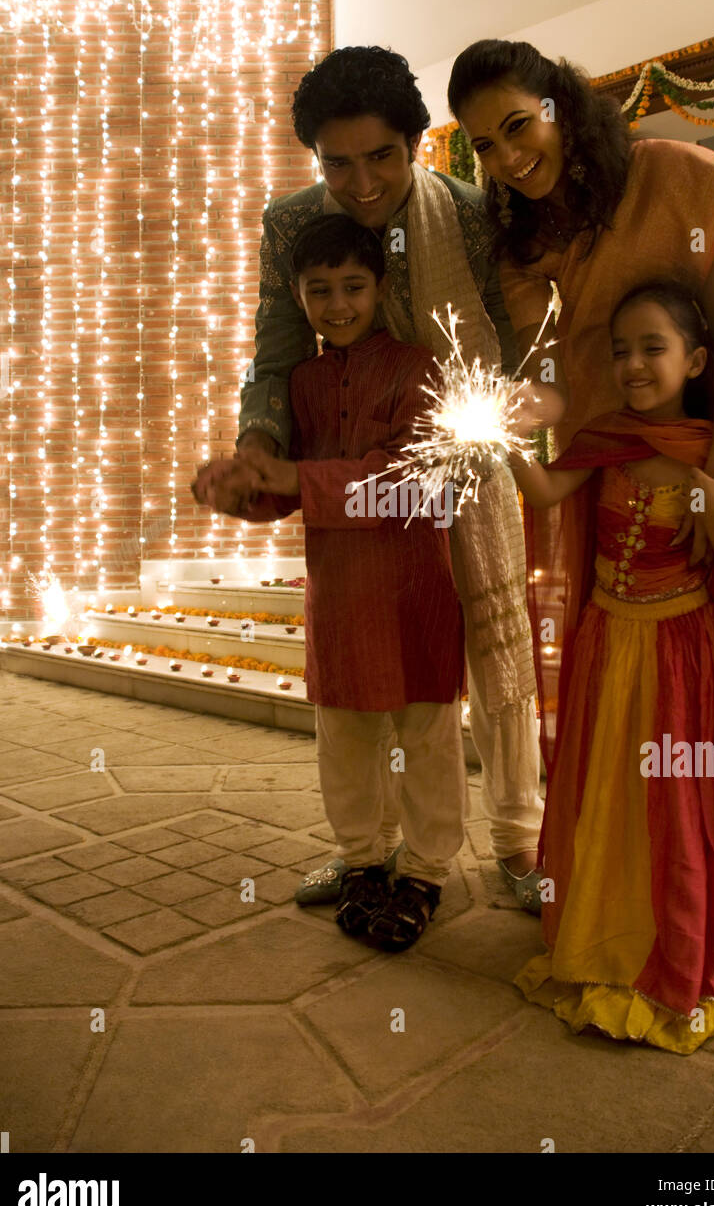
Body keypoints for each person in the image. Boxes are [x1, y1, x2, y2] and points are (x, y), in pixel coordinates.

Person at [192, 46, 565, 911]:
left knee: (496, 646)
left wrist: (514, 415)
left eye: (382, 157)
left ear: (420, 143)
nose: (360, 184)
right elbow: (275, 355)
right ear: (314, 160)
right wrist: (258, 446)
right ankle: (370, 852)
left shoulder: (477, 213)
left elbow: (518, 347)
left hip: (464, 458)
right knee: (367, 672)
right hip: (353, 457)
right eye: (337, 162)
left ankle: (516, 839)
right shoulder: (292, 225)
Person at [447, 37, 714, 786]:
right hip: (607, 457)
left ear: (559, 106)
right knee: (619, 671)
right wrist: (519, 410)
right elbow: (556, 374)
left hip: (711, 452)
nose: (506, 160)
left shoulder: (668, 173)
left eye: (518, 127)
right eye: (484, 145)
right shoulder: (521, 243)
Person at [506, 282, 714, 1053]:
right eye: (620, 350)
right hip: (605, 643)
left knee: (674, 804)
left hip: (682, 653)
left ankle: (675, 946)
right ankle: (602, 932)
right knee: (610, 795)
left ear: (696, 359)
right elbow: (549, 489)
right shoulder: (603, 439)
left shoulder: (707, 452)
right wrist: (500, 441)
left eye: (652, 347)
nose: (632, 364)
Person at [197, 214, 468, 951]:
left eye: (353, 287)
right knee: (343, 739)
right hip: (342, 595)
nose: (339, 305)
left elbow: (411, 483)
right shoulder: (302, 384)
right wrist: (241, 492)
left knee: (426, 736)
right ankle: (362, 860)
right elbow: (287, 494)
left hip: (414, 589)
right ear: (299, 295)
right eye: (321, 291)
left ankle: (426, 870)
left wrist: (294, 477)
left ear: (381, 288)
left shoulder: (420, 367)